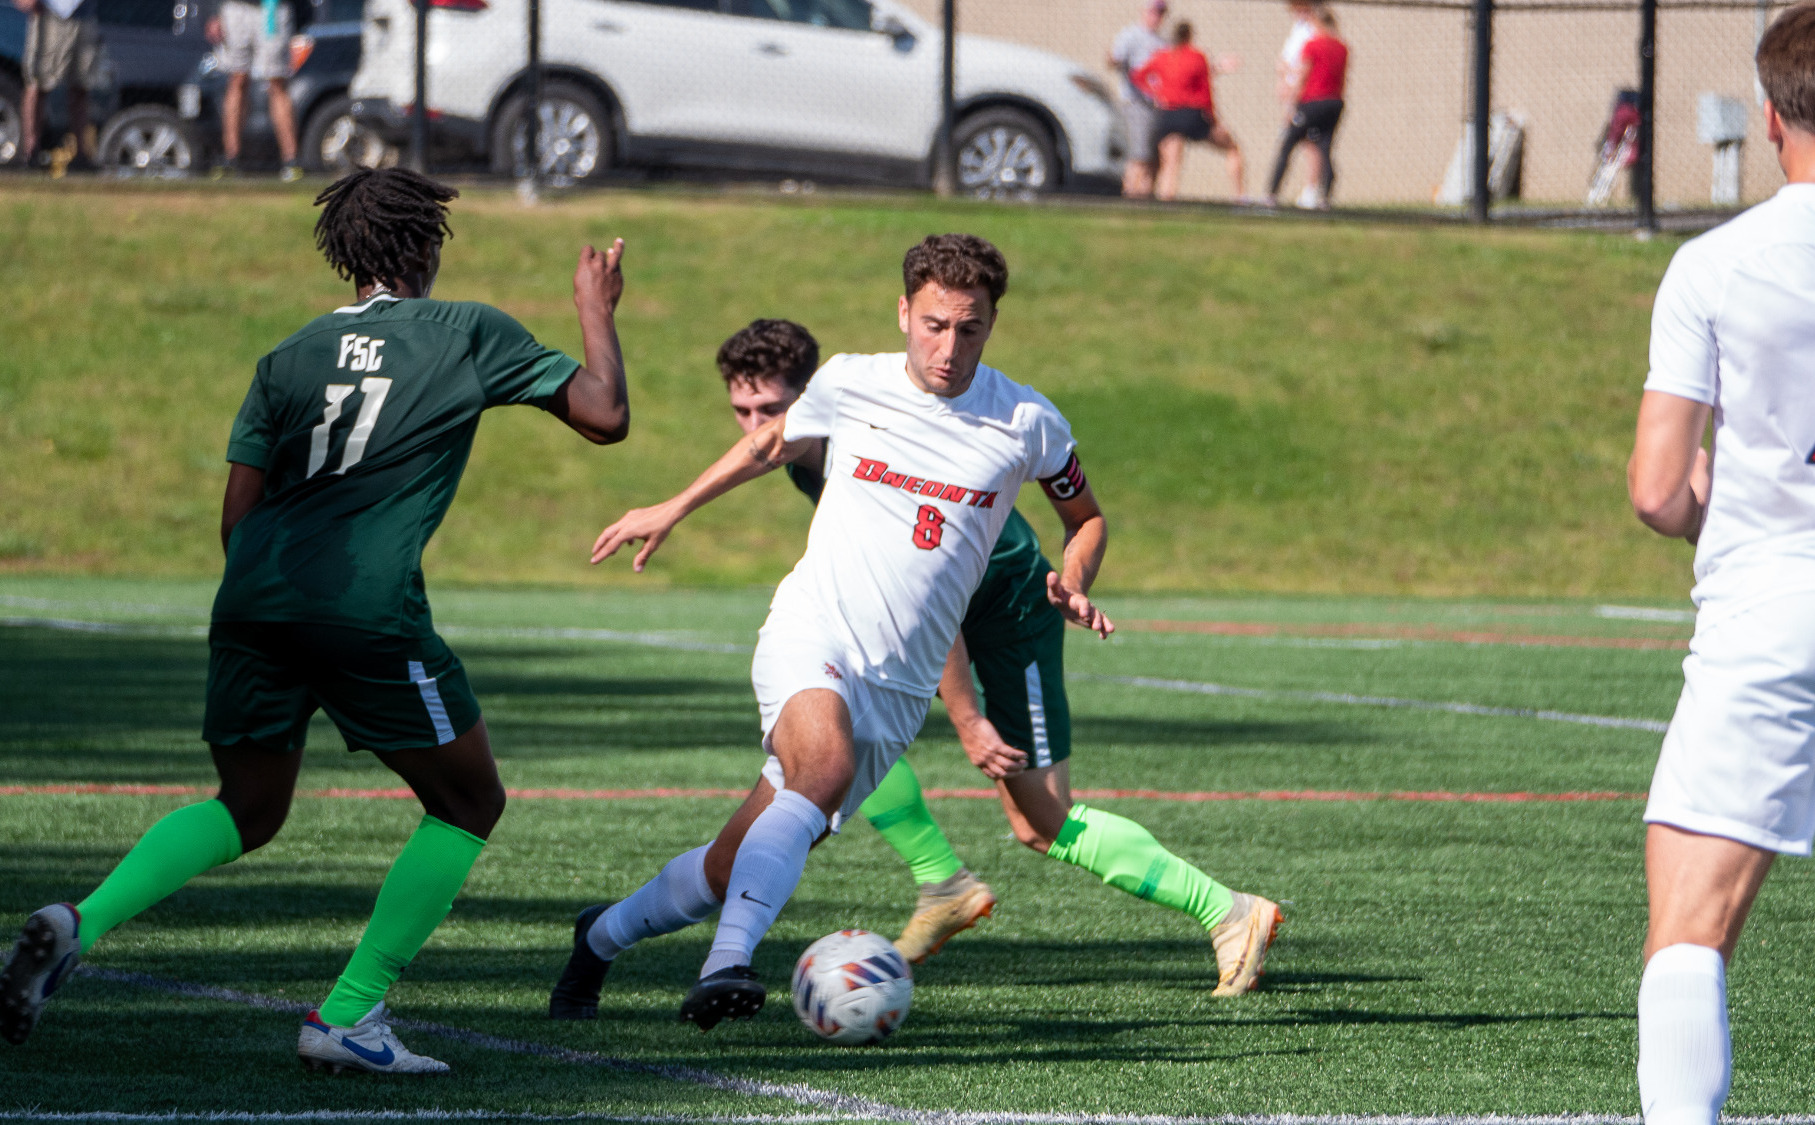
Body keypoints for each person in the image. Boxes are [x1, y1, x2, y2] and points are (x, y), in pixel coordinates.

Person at [546, 237, 1283, 1032]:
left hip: (953, 651)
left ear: (993, 323)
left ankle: (603, 933)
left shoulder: (1028, 422)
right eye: (933, 325)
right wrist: (672, 506)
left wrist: (1074, 578)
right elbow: (770, 443)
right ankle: (728, 963)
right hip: (814, 628)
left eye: (969, 329)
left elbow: (1079, 519)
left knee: (748, 857)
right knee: (820, 768)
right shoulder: (849, 384)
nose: (948, 347)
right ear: (903, 312)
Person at [0, 168, 632, 1072]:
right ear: (422, 246)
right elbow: (603, 416)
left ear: (348, 254)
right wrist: (593, 305)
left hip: (254, 595)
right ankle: (348, 1012)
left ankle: (78, 920)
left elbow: (235, 517)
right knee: (468, 799)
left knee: (248, 808)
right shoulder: (466, 331)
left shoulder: (287, 357)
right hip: (363, 605)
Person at [1626, 6, 1815, 1122]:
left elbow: (1658, 489)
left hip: (1774, 612)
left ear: (1770, 112)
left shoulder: (1717, 264)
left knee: (1689, 932)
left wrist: (1729, 508)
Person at [1131, 22, 1245, 202]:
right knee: (1232, 148)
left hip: (1168, 115)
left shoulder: (1162, 57)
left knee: (1171, 164)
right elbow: (1206, 91)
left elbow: (1138, 76)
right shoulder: (1198, 57)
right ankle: (1240, 197)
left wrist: (1155, 93)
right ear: (1189, 36)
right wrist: (1214, 121)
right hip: (1193, 115)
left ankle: (1166, 202)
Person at [207, 0, 302, 179]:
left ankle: (291, 161)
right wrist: (214, 13)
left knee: (277, 82)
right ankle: (231, 158)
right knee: (237, 79)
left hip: (272, 8)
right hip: (236, 8)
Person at [1266, 6, 1347, 209]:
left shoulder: (1312, 45)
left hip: (1312, 102)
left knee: (1288, 144)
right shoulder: (1342, 47)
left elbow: (1304, 75)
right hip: (1334, 102)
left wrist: (1291, 106)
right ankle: (1325, 197)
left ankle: (1271, 194)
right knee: (1324, 148)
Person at [14, 0, 97, 171]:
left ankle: (81, 155)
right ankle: (30, 152)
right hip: (49, 13)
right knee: (38, 83)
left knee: (81, 86)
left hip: (83, 14)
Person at [1108, 0, 1169, 199]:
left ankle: (1144, 199)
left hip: (1155, 107)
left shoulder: (1162, 42)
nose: (1156, 17)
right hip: (1135, 104)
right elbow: (1115, 58)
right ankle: (1130, 198)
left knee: (1154, 160)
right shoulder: (1131, 35)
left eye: (1161, 12)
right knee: (1139, 155)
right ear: (1144, 11)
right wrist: (1114, 60)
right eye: (1153, 11)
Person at [1275, 0, 1322, 205]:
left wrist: (1294, 91)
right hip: (1292, 94)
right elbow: (1286, 60)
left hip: (1304, 96)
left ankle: (1311, 191)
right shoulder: (1298, 28)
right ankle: (1278, 192)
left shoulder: (1315, 30)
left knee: (1311, 143)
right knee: (1299, 142)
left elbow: (1308, 67)